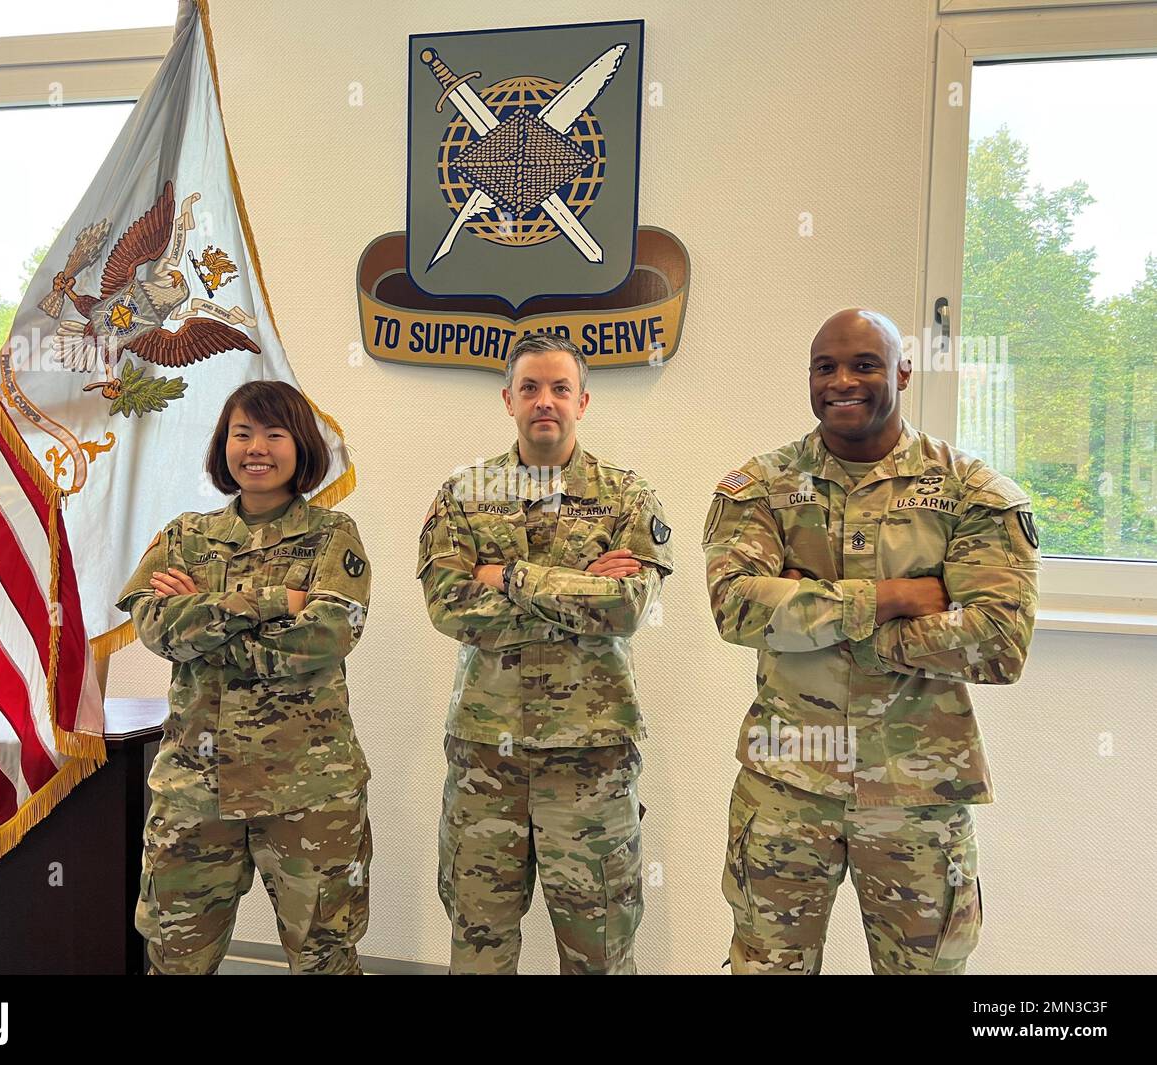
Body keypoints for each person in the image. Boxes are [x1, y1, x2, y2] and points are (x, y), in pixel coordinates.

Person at [703, 308, 1039, 975]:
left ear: (903, 371)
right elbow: (736, 609)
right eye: (825, 366)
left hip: (915, 793)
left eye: (865, 364)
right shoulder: (763, 487)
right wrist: (889, 599)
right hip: (785, 786)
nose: (843, 381)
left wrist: (815, 613)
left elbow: (998, 642)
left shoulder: (972, 493)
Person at [418, 332, 673, 974]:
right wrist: (580, 584)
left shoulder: (628, 497)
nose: (545, 401)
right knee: (480, 943)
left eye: (560, 388)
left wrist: (506, 575)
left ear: (582, 401)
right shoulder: (463, 494)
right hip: (485, 757)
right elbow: (449, 608)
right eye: (530, 387)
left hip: (591, 758)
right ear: (508, 399)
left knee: (599, 950)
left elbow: (625, 607)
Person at [116, 380, 372, 974]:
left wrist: (204, 617)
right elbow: (157, 631)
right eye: (242, 433)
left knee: (324, 955)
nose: (257, 447)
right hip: (194, 788)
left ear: (300, 446)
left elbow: (327, 635)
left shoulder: (334, 535)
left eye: (274, 433)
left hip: (309, 789)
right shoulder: (185, 534)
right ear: (223, 446)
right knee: (175, 955)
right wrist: (273, 601)